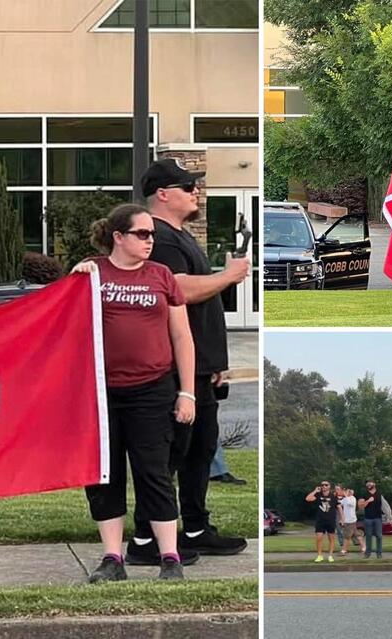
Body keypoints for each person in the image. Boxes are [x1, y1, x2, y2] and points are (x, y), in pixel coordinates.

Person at [125, 159, 250, 565]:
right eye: (187, 187)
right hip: (175, 371)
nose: (195, 192)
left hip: (200, 367)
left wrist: (215, 361)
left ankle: (196, 529)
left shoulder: (180, 236)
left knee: (199, 453)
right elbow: (176, 289)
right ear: (163, 193)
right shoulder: (158, 237)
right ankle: (147, 535)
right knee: (169, 456)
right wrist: (228, 276)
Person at [73, 203, 196, 582]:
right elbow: (64, 325)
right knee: (103, 476)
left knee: (154, 474)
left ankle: (169, 557)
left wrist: (187, 392)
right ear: (118, 237)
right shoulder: (92, 273)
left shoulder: (161, 276)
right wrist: (75, 278)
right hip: (100, 393)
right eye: (142, 234)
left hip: (153, 390)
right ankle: (113, 558)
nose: (149, 241)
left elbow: (181, 336)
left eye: (152, 235)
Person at [306, 480, 339, 563]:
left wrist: (342, 518)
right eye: (322, 485)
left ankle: (330, 555)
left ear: (329, 486)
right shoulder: (318, 495)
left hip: (330, 520)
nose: (324, 486)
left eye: (326, 485)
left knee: (331, 538)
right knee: (319, 538)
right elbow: (308, 499)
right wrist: (315, 491)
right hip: (320, 520)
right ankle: (319, 555)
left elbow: (339, 507)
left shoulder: (333, 496)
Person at [358, 480, 384, 559]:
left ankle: (379, 553)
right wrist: (368, 501)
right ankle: (367, 553)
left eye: (370, 483)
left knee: (379, 536)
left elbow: (384, 505)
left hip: (378, 518)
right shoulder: (364, 494)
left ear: (374, 484)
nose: (368, 484)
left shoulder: (379, 494)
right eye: (367, 483)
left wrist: (389, 515)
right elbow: (360, 506)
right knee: (368, 536)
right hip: (368, 518)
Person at [339, 486, 361, 555]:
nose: (346, 492)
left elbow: (350, 504)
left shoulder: (352, 498)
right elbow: (339, 503)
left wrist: (345, 495)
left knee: (346, 536)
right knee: (357, 535)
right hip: (347, 520)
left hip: (351, 520)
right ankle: (364, 548)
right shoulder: (345, 499)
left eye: (348, 491)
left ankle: (343, 550)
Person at [334, 484, 346, 549]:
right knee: (339, 529)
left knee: (349, 529)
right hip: (337, 513)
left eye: (338, 489)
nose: (336, 490)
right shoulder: (334, 496)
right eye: (335, 489)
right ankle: (341, 543)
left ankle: (356, 542)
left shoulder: (346, 496)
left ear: (341, 489)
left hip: (346, 513)